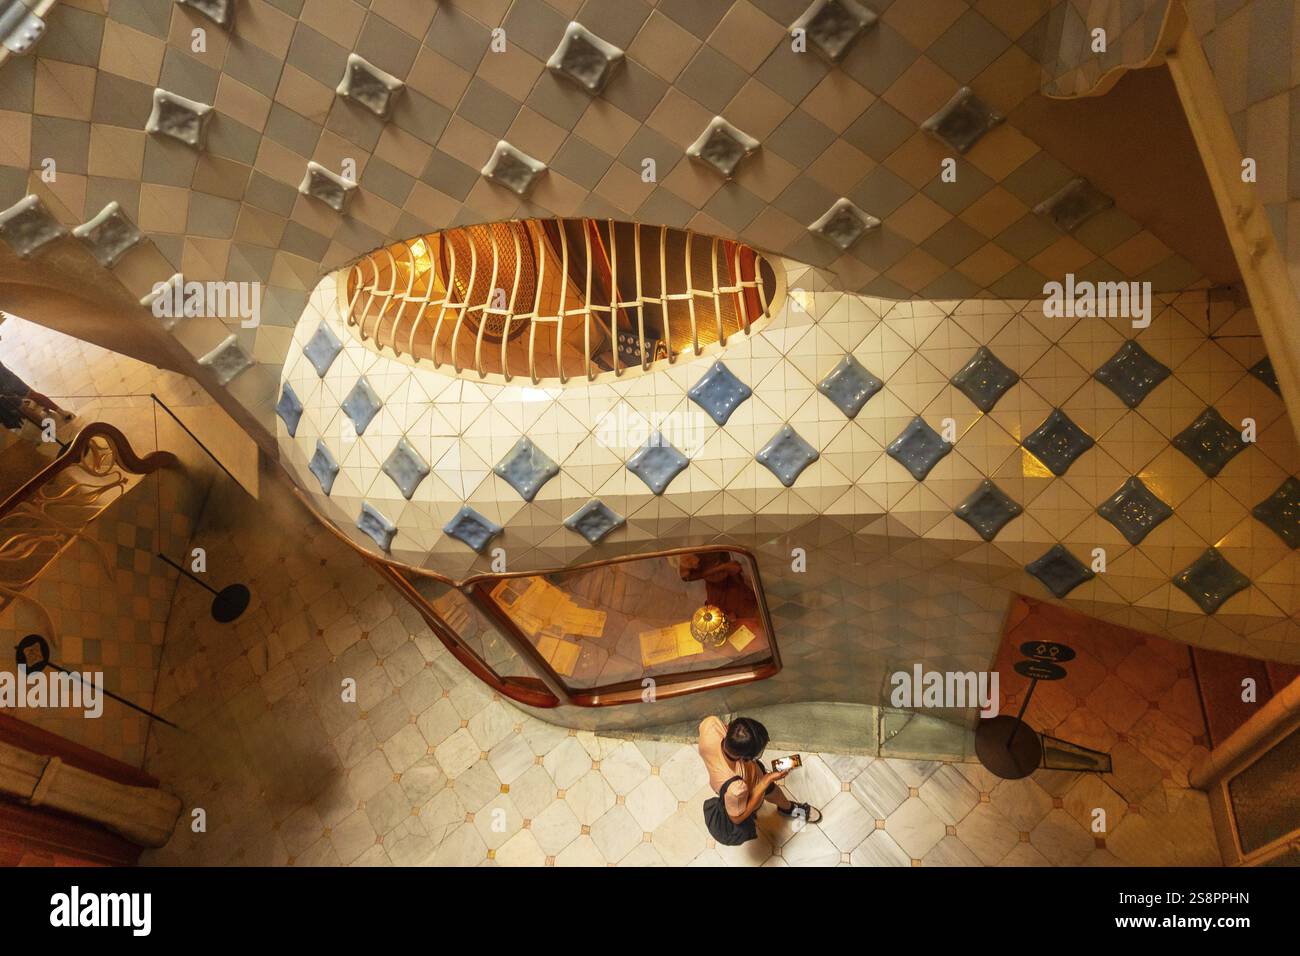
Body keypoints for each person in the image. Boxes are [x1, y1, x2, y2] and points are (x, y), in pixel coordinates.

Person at [697, 714, 822, 846]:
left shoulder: (711, 725)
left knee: (771, 789)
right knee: (769, 789)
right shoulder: (736, 789)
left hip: (741, 776)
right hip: (748, 789)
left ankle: (787, 808)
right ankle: (789, 808)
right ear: (745, 757)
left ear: (728, 728)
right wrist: (764, 781)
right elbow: (737, 818)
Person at [0, 358, 73, 430]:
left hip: (4, 384)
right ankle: (61, 414)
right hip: (6, 377)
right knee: (30, 397)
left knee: (23, 407)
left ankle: (50, 427)